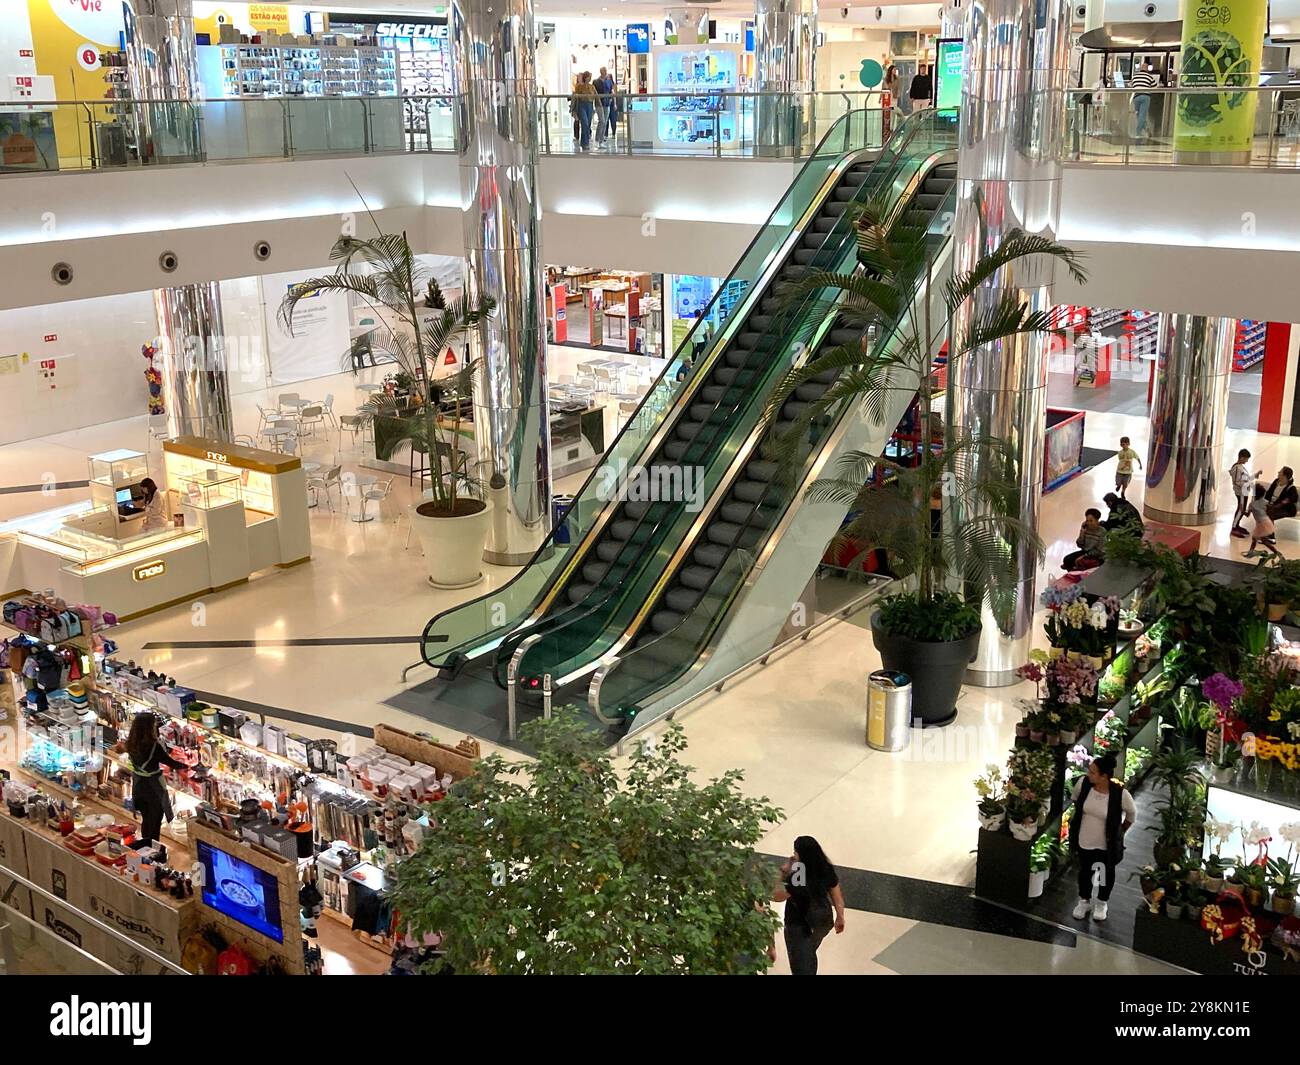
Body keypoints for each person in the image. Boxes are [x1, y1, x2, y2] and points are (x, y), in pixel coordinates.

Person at [1069, 753, 1136, 922]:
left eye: (1092, 772)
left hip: (1106, 844)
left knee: (1105, 872)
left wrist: (1120, 832)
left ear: (1104, 776)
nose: (1088, 774)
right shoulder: (1083, 784)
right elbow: (1076, 800)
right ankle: (1084, 900)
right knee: (1085, 871)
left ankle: (1101, 902)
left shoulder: (1120, 794)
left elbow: (1132, 814)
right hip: (1084, 839)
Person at [772, 836, 846, 975]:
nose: (793, 854)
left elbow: (776, 896)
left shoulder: (797, 877)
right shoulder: (825, 869)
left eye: (795, 851)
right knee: (808, 952)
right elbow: (838, 898)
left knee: (801, 960)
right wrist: (840, 917)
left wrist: (784, 870)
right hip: (822, 922)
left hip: (798, 924)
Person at [117, 712, 185, 847]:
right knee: (155, 823)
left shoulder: (130, 743)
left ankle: (144, 846)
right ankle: (151, 850)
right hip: (153, 789)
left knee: (146, 820)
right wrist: (185, 765)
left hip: (138, 786)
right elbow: (170, 762)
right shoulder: (153, 746)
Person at [1245, 483, 1281, 559]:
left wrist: (1242, 511)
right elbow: (1270, 511)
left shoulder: (1252, 504)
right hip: (1266, 522)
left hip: (1261, 524)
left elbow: (1247, 515)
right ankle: (1251, 552)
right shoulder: (1265, 502)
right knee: (1256, 539)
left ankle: (1276, 553)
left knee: (1260, 540)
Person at [1230, 449, 1257, 538]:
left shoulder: (1241, 467)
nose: (1247, 461)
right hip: (1241, 492)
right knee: (1241, 509)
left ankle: (1237, 525)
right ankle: (1234, 527)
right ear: (1241, 457)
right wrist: (1247, 484)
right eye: (1246, 459)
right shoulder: (1237, 468)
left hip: (1244, 492)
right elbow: (1237, 481)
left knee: (1242, 509)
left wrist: (1254, 476)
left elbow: (1246, 478)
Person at [1129, 59, 1159, 142]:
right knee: (1142, 115)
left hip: (1136, 96)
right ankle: (1138, 132)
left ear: (1140, 68)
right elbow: (1155, 87)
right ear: (1146, 69)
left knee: (1139, 115)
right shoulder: (1149, 76)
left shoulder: (1135, 76)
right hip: (1146, 97)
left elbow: (1130, 85)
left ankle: (1145, 128)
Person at [571, 71, 597, 151]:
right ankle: (585, 143)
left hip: (589, 105)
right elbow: (575, 97)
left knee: (588, 124)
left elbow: (596, 96)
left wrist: (597, 107)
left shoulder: (592, 87)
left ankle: (585, 142)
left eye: (590, 77)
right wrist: (573, 109)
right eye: (588, 77)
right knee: (584, 123)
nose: (589, 78)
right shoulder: (579, 86)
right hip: (582, 105)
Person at [594, 66, 614, 145]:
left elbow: (611, 90)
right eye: (603, 71)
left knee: (605, 121)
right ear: (600, 72)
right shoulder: (596, 82)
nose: (605, 72)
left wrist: (611, 98)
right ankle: (597, 138)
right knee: (601, 121)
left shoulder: (609, 81)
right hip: (599, 104)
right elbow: (595, 92)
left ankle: (601, 139)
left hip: (607, 103)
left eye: (605, 70)